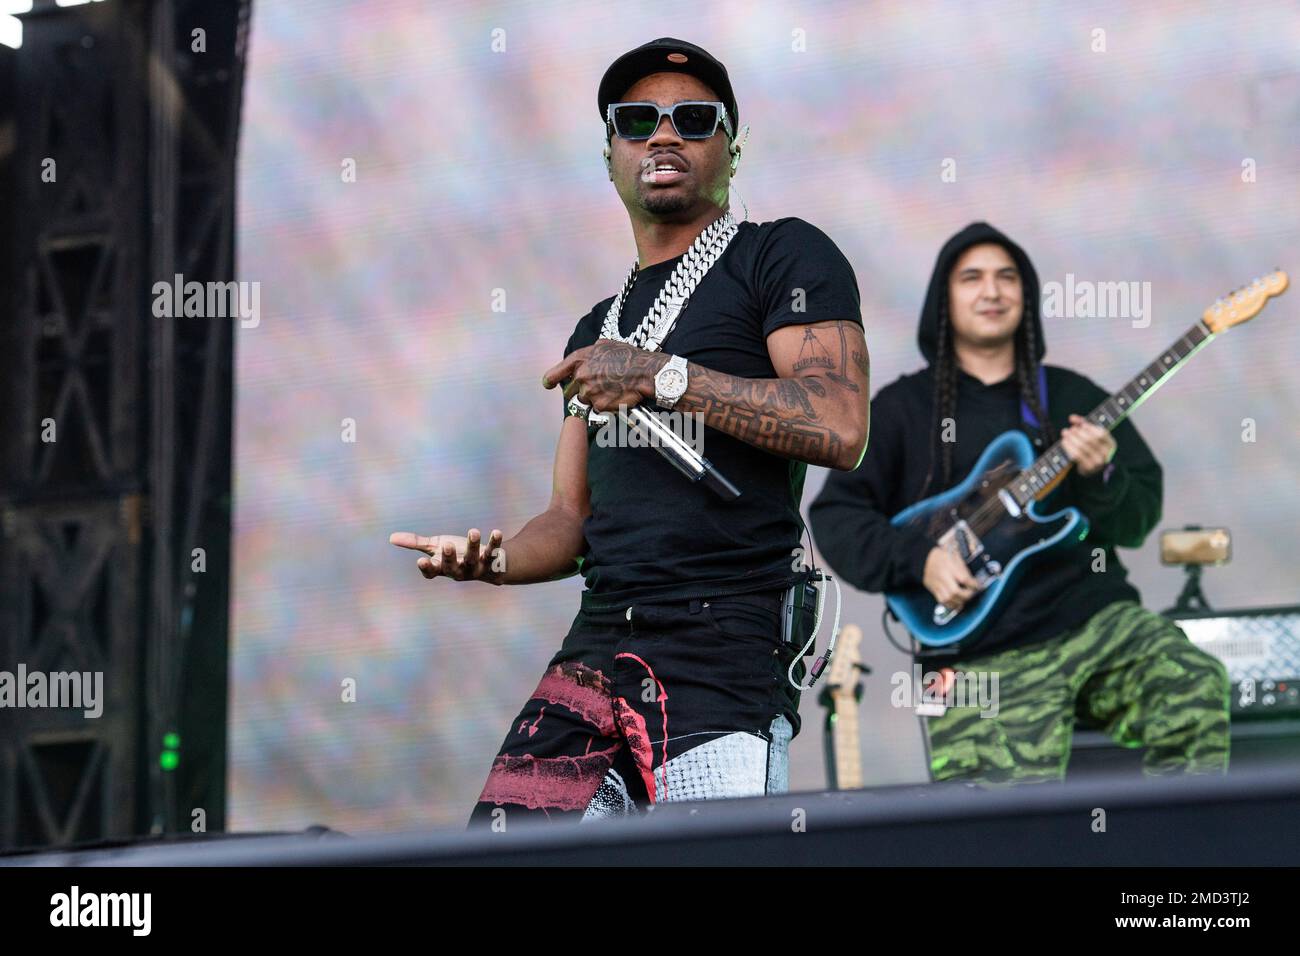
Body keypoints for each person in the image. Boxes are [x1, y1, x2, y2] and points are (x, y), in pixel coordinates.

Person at [390, 38, 869, 824]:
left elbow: (840, 423)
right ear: (611, 154)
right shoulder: (597, 329)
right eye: (638, 120)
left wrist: (662, 376)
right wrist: (494, 559)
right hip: (600, 636)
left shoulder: (780, 255)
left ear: (732, 148)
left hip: (726, 635)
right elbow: (570, 519)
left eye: (693, 118)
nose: (664, 134)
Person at [809, 222, 1229, 784]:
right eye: (972, 278)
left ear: (1025, 298)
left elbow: (1137, 520)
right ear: (944, 299)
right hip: (979, 655)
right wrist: (920, 560)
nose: (992, 290)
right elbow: (836, 516)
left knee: (1193, 682)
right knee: (1001, 830)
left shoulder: (1073, 395)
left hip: (1094, 621)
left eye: (1008, 277)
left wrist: (1103, 471)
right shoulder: (902, 409)